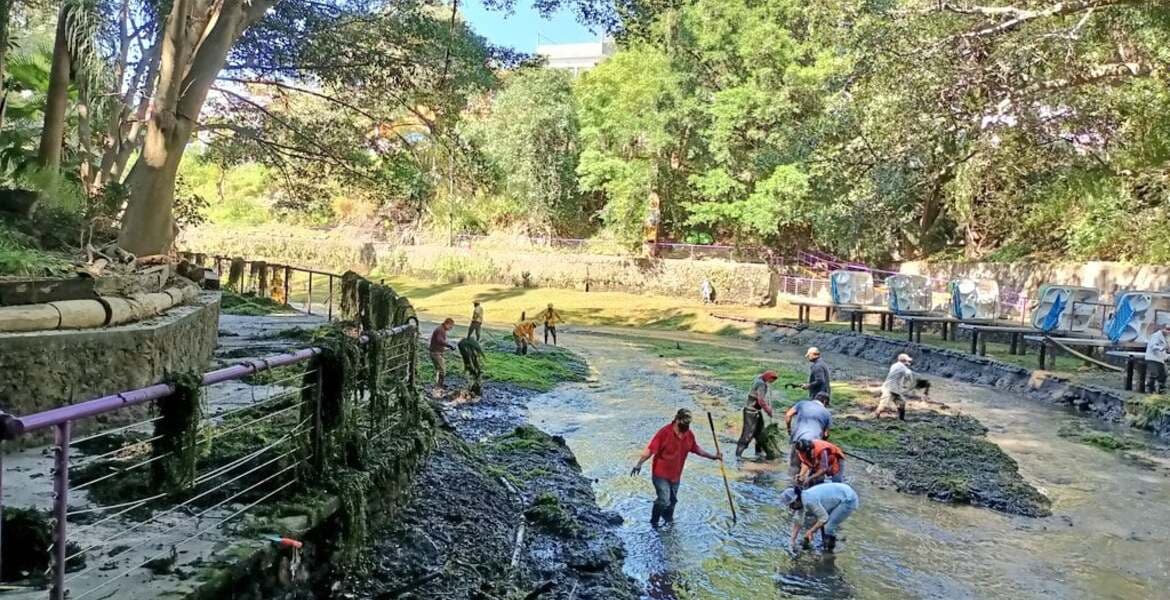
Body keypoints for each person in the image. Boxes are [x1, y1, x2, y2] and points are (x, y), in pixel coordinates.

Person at [630, 408, 723, 528]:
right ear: (677, 420)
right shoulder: (664, 433)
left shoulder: (688, 434)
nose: (686, 427)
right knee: (664, 499)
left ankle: (668, 522)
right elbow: (650, 450)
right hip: (660, 474)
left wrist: (713, 457)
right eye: (684, 424)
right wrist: (638, 464)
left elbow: (696, 449)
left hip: (675, 476)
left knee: (672, 502)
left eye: (688, 425)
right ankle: (654, 522)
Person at [780, 482, 859, 553]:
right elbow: (798, 522)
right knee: (822, 524)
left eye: (791, 505)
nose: (791, 508)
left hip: (848, 499)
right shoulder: (801, 500)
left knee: (828, 527)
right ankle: (825, 543)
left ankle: (829, 551)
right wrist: (792, 541)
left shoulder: (809, 501)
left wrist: (811, 531)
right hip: (838, 494)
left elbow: (824, 518)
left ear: (796, 500)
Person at [784, 391, 832, 480]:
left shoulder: (802, 404)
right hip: (813, 443)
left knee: (794, 467)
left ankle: (790, 487)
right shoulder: (827, 414)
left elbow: (788, 415)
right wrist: (823, 445)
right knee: (808, 468)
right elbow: (826, 434)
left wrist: (789, 429)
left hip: (798, 439)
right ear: (825, 402)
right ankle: (803, 486)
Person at [735, 371, 777, 458]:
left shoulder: (758, 379)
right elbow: (760, 400)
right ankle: (738, 455)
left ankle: (760, 453)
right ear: (769, 378)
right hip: (751, 412)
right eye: (771, 381)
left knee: (761, 433)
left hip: (756, 411)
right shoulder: (761, 384)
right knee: (748, 434)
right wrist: (768, 410)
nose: (771, 383)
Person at [874, 353, 921, 420]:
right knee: (883, 405)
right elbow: (911, 380)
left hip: (893, 389)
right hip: (889, 389)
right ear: (904, 361)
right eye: (908, 361)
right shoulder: (905, 369)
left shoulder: (894, 365)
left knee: (902, 403)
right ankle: (875, 417)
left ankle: (901, 419)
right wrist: (907, 389)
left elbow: (899, 376)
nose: (909, 362)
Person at [429, 319, 457, 389]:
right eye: (451, 327)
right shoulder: (440, 330)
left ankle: (437, 385)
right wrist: (449, 345)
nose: (451, 329)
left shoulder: (441, 329)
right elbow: (440, 340)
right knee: (442, 370)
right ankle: (439, 386)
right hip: (435, 353)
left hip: (436, 352)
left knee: (438, 369)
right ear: (447, 324)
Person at [1145, 323, 1170, 393]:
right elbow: (1153, 346)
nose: (1168, 332)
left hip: (1160, 359)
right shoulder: (1156, 336)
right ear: (1162, 329)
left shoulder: (1166, 337)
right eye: (1167, 329)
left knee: (1164, 375)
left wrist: (1166, 355)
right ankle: (1150, 390)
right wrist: (1162, 348)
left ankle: (1161, 390)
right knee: (1153, 374)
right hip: (1152, 358)